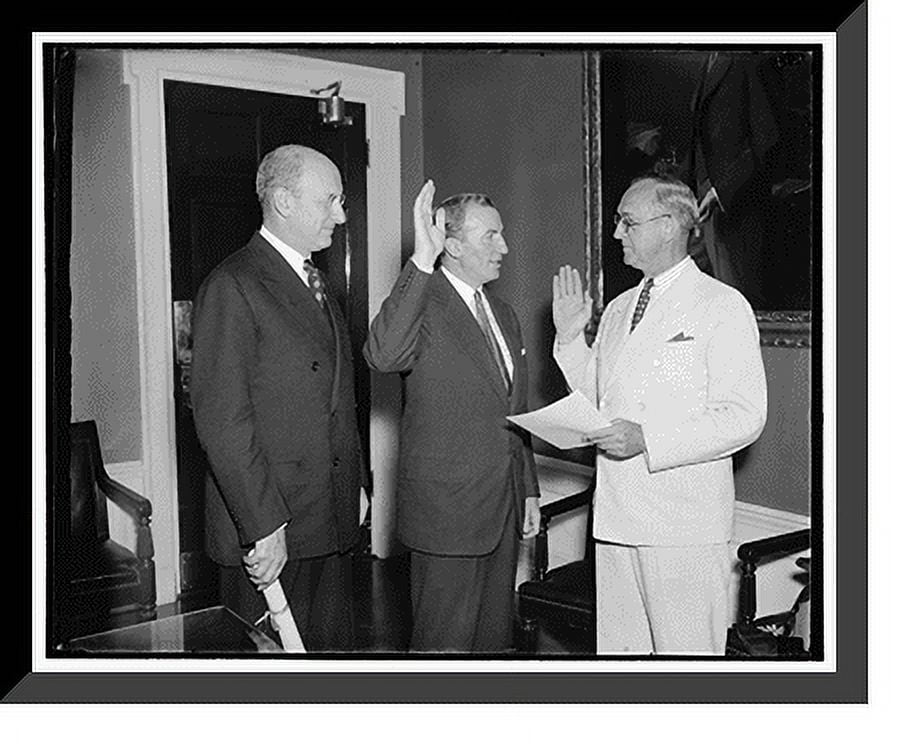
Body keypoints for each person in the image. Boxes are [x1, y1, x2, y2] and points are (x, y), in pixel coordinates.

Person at [552, 175, 767, 655]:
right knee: (620, 658)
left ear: (669, 225)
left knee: (686, 663)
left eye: (627, 222)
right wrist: (569, 338)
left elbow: (744, 415)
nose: (616, 233)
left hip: (682, 528)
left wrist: (648, 438)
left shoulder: (722, 305)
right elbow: (598, 402)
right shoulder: (619, 308)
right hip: (616, 519)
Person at [190, 144, 364, 651]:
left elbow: (332, 397)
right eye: (330, 200)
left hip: (327, 514)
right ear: (284, 201)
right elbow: (224, 421)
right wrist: (263, 525)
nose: (341, 215)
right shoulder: (233, 284)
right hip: (271, 529)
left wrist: (354, 485)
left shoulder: (315, 280)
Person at [364, 181, 541, 652]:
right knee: (442, 650)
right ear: (453, 245)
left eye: (502, 234)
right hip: (446, 516)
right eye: (491, 236)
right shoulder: (422, 300)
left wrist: (527, 489)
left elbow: (513, 411)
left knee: (492, 646)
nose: (504, 247)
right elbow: (383, 355)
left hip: (502, 508)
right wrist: (422, 259)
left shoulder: (503, 313)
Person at [685, 51, 779, 307]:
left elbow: (766, 138)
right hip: (702, 196)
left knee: (736, 300)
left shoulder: (745, 59)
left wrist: (721, 190)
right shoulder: (707, 60)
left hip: (734, 200)